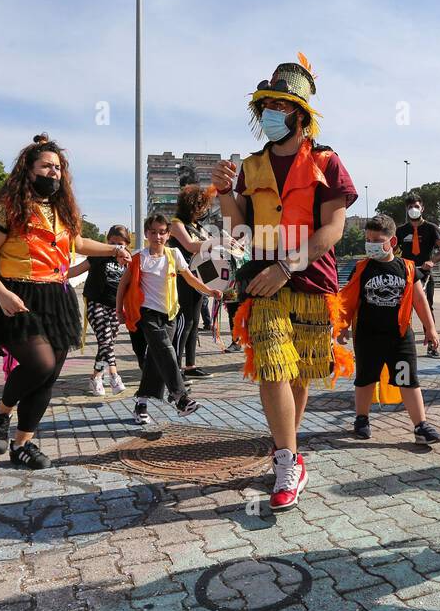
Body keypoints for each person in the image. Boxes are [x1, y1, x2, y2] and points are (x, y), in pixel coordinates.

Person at [212, 54, 357, 511]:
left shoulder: (327, 162)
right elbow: (238, 229)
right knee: (273, 364)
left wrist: (287, 267)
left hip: (311, 281)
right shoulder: (251, 167)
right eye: (267, 103)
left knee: (298, 373)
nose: (273, 112)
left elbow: (333, 230)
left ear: (301, 114)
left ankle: (287, 450)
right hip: (261, 282)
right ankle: (286, 459)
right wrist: (224, 195)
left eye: (282, 104)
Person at [0, 135, 131, 469]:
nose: (54, 173)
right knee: (39, 365)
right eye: (46, 166)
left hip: (56, 296)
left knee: (48, 377)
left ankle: (22, 445)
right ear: (27, 169)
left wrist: (114, 249)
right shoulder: (6, 207)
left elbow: (78, 242)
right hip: (16, 295)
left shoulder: (60, 209)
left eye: (58, 168)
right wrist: (2, 292)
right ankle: (1, 410)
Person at [339, 214, 440, 445]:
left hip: (400, 336)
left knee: (408, 380)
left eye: (377, 240)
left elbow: (420, 300)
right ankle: (362, 419)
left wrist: (430, 328)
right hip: (368, 335)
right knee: (365, 379)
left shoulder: (407, 268)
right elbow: (349, 300)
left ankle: (420, 425)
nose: (371, 244)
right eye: (368, 239)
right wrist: (343, 326)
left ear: (392, 242)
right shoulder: (362, 268)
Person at [118, 214, 222, 425]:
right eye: (153, 232)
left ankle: (141, 402)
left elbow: (191, 279)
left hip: (170, 315)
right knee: (167, 352)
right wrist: (119, 310)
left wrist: (210, 291)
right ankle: (180, 398)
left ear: (168, 234)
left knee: (156, 360)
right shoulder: (140, 257)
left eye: (162, 232)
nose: (157, 236)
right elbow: (123, 284)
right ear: (146, 234)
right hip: (147, 314)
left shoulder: (174, 254)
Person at [68, 223, 129, 396]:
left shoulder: (127, 259)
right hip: (96, 302)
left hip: (115, 307)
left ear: (126, 244)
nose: (117, 247)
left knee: (106, 344)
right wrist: (57, 274)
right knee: (106, 339)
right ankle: (114, 375)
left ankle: (95, 378)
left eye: (121, 244)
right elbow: (77, 270)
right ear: (107, 242)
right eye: (113, 243)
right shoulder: (98, 255)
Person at [168, 185, 215, 379]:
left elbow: (205, 247)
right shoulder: (176, 223)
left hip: (198, 276)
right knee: (184, 322)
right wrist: (217, 242)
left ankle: (190, 365)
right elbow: (190, 245)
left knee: (195, 322)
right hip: (182, 275)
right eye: (200, 206)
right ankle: (176, 366)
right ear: (191, 206)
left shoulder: (198, 226)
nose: (203, 210)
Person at [396, 193, 440, 357]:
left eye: (416, 206)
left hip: (424, 274)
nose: (413, 210)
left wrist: (432, 261)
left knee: (427, 308)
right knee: (402, 308)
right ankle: (399, 345)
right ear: (406, 210)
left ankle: (432, 344)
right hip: (405, 273)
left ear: (422, 208)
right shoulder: (401, 230)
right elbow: (391, 249)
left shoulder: (432, 228)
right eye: (410, 207)